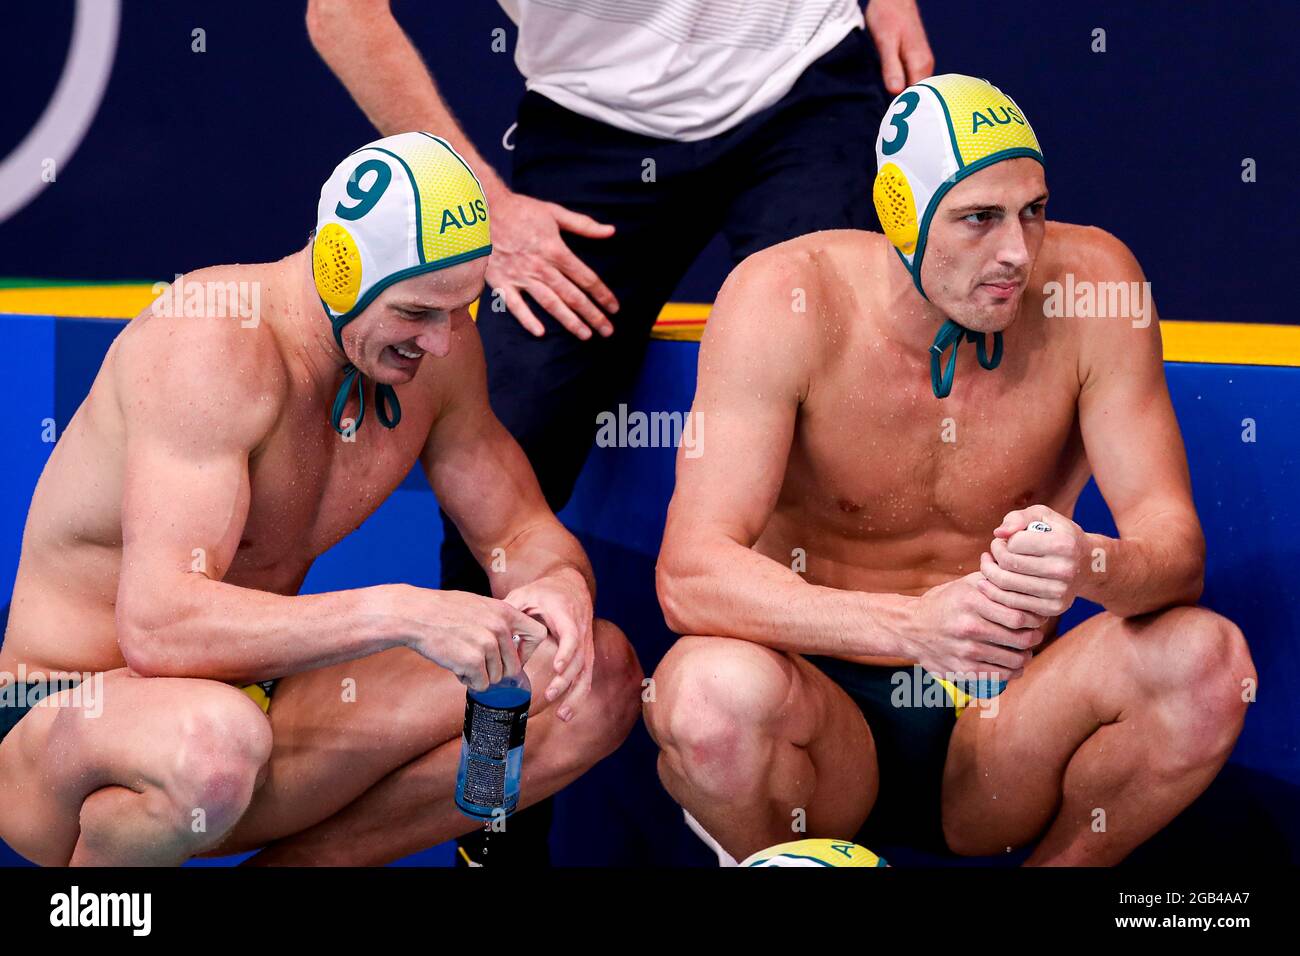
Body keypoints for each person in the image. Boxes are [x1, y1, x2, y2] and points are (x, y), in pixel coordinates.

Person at [305, 0, 932, 862]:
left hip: (803, 75)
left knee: (844, 405)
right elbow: (341, 13)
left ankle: (819, 816)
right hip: (593, 119)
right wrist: (484, 205)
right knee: (499, 456)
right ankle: (498, 829)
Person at [643, 75, 1256, 865]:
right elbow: (690, 576)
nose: (1017, 254)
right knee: (705, 694)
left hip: (1003, 731)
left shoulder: (1096, 287)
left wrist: (1090, 564)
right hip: (819, 721)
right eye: (979, 219)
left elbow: (1177, 559)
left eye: (1033, 212)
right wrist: (912, 628)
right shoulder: (785, 298)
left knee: (1207, 662)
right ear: (902, 214)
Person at [0, 133, 641, 866]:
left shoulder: (437, 352)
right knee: (213, 741)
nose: (440, 343)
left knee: (589, 680)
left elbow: (522, 530)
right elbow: (157, 627)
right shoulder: (212, 342)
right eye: (416, 314)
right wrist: (401, 612)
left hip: (251, 710)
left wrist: (555, 580)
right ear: (340, 271)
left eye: (459, 310)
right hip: (59, 724)